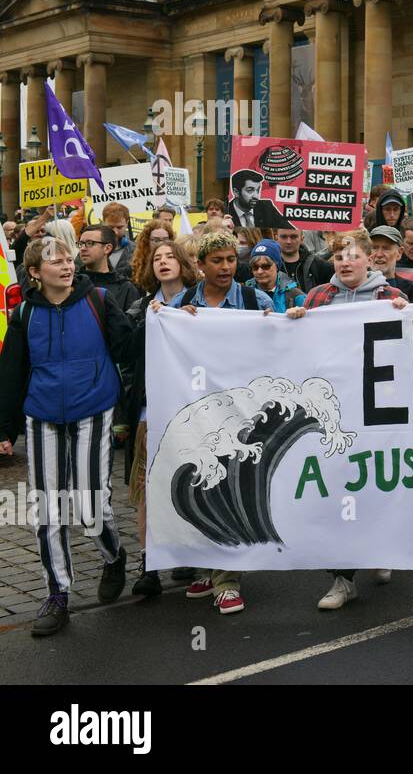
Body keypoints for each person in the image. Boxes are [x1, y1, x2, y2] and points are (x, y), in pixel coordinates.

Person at [0, 238, 135, 636]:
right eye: (54, 262)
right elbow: (11, 372)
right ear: (35, 273)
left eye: (67, 259)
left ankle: (114, 556)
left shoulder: (99, 300)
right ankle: (57, 593)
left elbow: (128, 346)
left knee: (91, 507)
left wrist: (160, 317)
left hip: (93, 409)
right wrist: (4, 429)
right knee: (48, 509)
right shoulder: (24, 312)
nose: (65, 266)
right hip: (42, 415)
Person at [288, 230, 409, 609]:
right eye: (339, 256)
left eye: (353, 255)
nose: (345, 262)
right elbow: (297, 345)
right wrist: (293, 320)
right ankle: (342, 579)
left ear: (370, 259)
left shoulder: (388, 297)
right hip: (334, 408)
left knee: (374, 481)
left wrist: (409, 316)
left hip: (378, 407)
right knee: (337, 487)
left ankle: (381, 545)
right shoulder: (319, 297)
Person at [168, 231, 275, 616]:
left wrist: (278, 322)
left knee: (231, 488)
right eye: (218, 261)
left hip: (241, 411)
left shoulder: (253, 299)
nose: (227, 267)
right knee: (203, 484)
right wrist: (173, 320)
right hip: (198, 408)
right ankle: (211, 568)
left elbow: (277, 340)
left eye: (232, 259)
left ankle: (229, 579)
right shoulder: (183, 301)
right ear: (201, 265)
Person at [124, 240, 200, 595]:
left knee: (190, 485)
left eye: (170, 256)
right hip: (149, 410)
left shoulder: (200, 301)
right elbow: (128, 352)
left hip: (190, 412)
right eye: (157, 258)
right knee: (147, 491)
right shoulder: (143, 306)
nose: (164, 262)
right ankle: (149, 562)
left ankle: (190, 553)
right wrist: (149, 321)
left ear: (183, 263)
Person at [77, 223, 142, 312]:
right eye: (81, 243)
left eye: (89, 243)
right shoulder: (71, 283)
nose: (83, 248)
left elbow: (130, 324)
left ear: (107, 248)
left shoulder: (126, 289)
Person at [369, 225, 413, 303]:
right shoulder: (354, 287)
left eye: (386, 248)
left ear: (399, 253)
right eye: (374, 248)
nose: (379, 254)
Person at [244, 239, 306, 313]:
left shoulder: (295, 295)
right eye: (255, 267)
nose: (259, 271)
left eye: (266, 266)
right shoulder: (244, 293)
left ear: (277, 266)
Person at [227, 169, 293, 230]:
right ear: (236, 192)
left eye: (258, 190)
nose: (256, 196)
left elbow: (290, 231)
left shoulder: (266, 207)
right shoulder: (225, 211)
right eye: (250, 190)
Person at [275, 226, 333, 291]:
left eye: (294, 237)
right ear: (276, 238)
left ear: (302, 239)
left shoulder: (321, 267)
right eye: (284, 237)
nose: (289, 241)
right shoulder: (269, 266)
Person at [128, 219, 176, 288]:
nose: (161, 243)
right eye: (156, 240)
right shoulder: (136, 266)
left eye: (165, 239)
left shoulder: (177, 262)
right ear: (147, 241)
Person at [97, 203, 137, 279]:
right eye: (111, 227)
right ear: (103, 222)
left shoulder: (136, 250)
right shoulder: (91, 247)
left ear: (127, 223)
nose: (115, 232)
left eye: (119, 227)